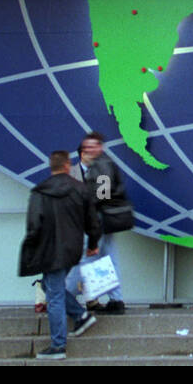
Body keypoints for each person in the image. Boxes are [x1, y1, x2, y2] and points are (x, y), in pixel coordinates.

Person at [20, 150, 101, 359]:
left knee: (54, 295)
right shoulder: (80, 189)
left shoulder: (39, 192)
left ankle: (58, 346)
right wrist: (92, 244)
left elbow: (33, 226)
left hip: (49, 250)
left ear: (51, 166)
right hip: (72, 249)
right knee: (49, 286)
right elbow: (92, 221)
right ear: (67, 165)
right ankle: (80, 315)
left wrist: (31, 250)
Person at [66, 133, 132, 314]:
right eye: (86, 147)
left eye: (92, 146)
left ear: (100, 146)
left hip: (98, 218)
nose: (88, 150)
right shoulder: (105, 163)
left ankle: (66, 296)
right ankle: (115, 299)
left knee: (87, 258)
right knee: (108, 258)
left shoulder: (102, 165)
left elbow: (101, 196)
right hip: (106, 218)